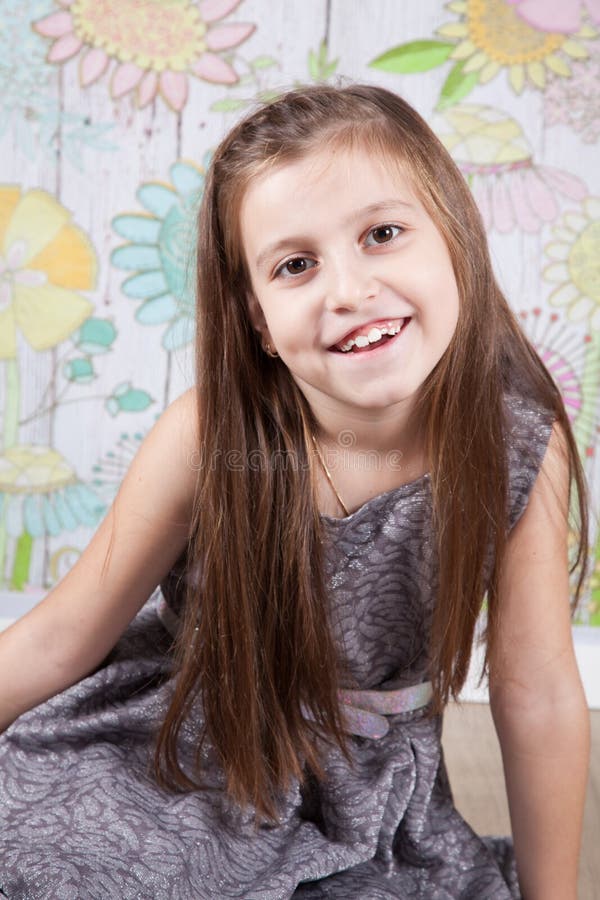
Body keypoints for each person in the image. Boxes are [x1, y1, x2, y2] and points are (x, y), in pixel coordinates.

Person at [0, 81, 591, 900]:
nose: (347, 290)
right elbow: (60, 636)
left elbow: (538, 696)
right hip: (189, 748)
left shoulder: (515, 448)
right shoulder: (212, 437)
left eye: (383, 234)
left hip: (367, 789)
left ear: (455, 237)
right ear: (255, 315)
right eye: (296, 265)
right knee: (56, 851)